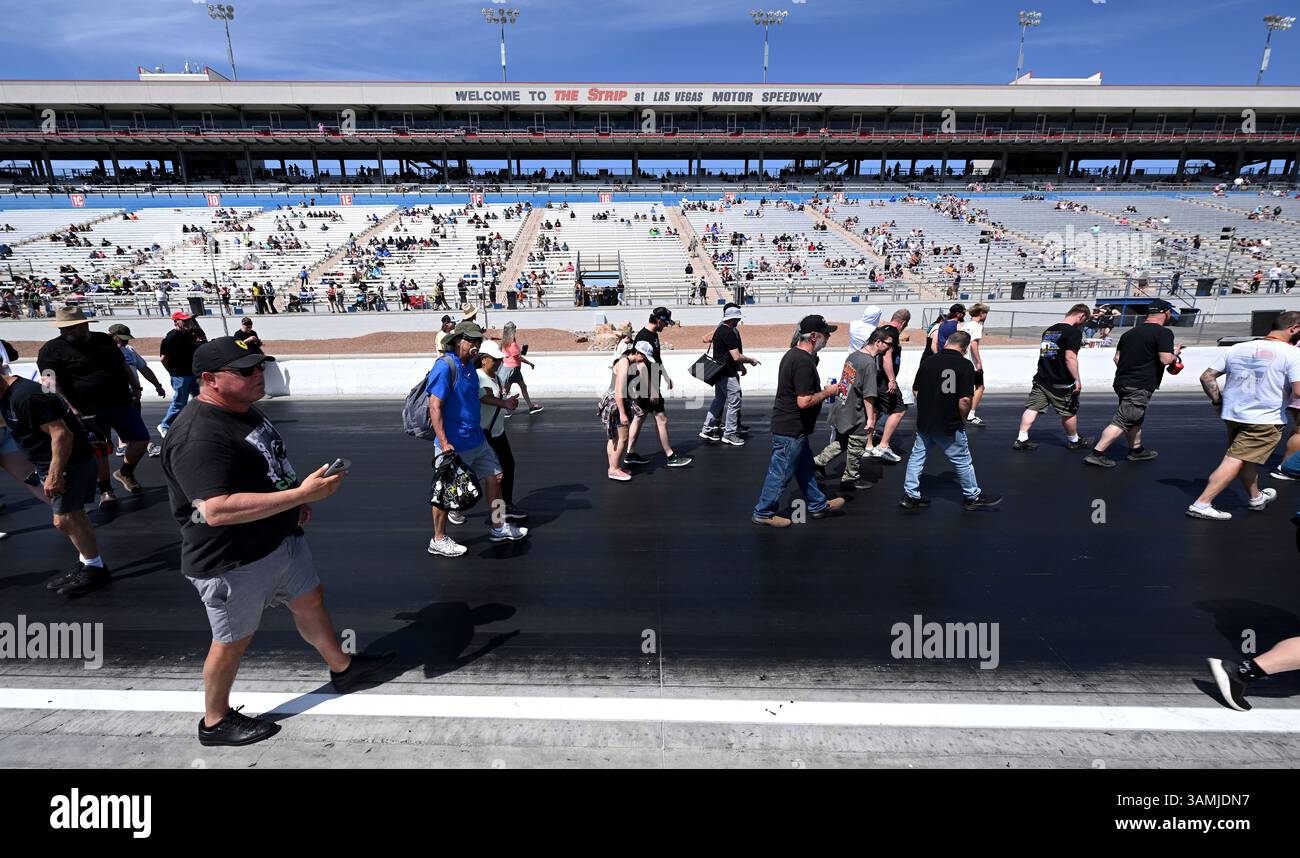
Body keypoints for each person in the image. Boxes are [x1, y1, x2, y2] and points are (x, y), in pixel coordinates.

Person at [160, 336, 394, 746]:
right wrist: (300, 495)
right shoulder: (198, 435)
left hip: (277, 537)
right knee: (233, 640)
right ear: (210, 379)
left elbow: (263, 467)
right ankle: (214, 722)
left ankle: (342, 668)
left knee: (309, 599)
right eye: (245, 370)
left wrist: (290, 501)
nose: (258, 375)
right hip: (231, 559)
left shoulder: (243, 409)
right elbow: (216, 509)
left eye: (259, 366)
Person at [1, 344, 112, 595]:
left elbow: (61, 434)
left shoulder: (25, 397)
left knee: (64, 520)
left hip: (68, 464)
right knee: (75, 517)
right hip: (57, 462)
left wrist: (54, 474)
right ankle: (89, 563)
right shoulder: (9, 396)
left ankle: (96, 569)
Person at [426, 320, 528, 557]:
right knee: (445, 493)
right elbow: (435, 406)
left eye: (478, 340)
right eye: (471, 340)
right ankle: (438, 539)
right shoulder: (444, 367)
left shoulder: (470, 367)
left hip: (476, 439)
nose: (475, 344)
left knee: (496, 476)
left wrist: (503, 403)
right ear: (458, 340)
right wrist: (443, 442)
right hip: (453, 444)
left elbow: (477, 398)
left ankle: (498, 526)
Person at [1186, 312, 1300, 520]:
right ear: (1294, 328)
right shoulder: (1292, 354)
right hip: (1264, 419)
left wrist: (1218, 402)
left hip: (1234, 414)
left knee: (1245, 459)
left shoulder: (1238, 348)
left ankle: (1256, 497)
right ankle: (1202, 503)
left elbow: (1207, 377)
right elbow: (1299, 391)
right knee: (1235, 459)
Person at [37, 306, 151, 507]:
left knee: (141, 439)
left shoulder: (104, 340)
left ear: (84, 325)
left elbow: (122, 365)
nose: (67, 332)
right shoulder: (50, 350)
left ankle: (125, 473)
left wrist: (135, 385)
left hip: (120, 401)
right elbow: (49, 382)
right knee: (100, 449)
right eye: (64, 329)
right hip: (86, 409)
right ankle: (106, 491)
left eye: (72, 327)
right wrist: (67, 405)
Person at [751, 315, 847, 527]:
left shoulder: (796, 356)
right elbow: (803, 401)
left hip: (794, 428)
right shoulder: (802, 362)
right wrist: (828, 392)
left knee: (805, 468)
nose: (828, 337)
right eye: (825, 333)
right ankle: (763, 512)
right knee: (780, 473)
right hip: (790, 429)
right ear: (813, 336)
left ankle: (817, 504)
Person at [901, 330, 1001, 511]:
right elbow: (964, 400)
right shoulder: (965, 365)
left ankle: (910, 495)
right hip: (949, 422)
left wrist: (927, 409)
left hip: (926, 421)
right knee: (962, 460)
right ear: (965, 348)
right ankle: (972, 496)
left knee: (917, 457)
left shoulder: (928, 362)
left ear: (947, 342)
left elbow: (916, 390)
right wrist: (962, 418)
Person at [1085, 300, 1183, 468]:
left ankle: (1136, 450)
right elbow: (1166, 359)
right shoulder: (1164, 333)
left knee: (1134, 417)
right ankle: (1097, 453)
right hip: (1140, 383)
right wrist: (1175, 355)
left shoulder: (1129, 333)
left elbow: (1117, 358)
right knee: (1124, 419)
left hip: (1122, 381)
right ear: (1166, 313)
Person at [813, 327, 891, 492]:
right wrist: (870, 419)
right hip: (854, 411)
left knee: (841, 441)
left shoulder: (854, 355)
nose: (889, 348)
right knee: (857, 443)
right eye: (887, 344)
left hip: (842, 406)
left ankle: (818, 462)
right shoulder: (869, 363)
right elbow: (869, 395)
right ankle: (850, 478)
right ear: (878, 342)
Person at [1014, 304, 1094, 451]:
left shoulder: (1049, 330)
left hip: (1042, 378)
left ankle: (1021, 438)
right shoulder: (1073, 333)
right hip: (1061, 381)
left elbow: (1046, 354)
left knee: (1033, 407)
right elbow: (1070, 358)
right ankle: (1074, 440)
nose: (1082, 324)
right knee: (1068, 411)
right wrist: (1077, 380)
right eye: (1084, 321)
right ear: (1081, 316)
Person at [625, 307, 692, 469]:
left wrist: (666, 377)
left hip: (651, 381)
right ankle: (670, 456)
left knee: (640, 418)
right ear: (659, 320)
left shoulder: (653, 335)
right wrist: (652, 389)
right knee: (661, 419)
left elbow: (657, 360)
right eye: (665, 323)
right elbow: (641, 366)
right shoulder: (643, 337)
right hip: (646, 384)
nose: (666, 326)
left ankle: (630, 454)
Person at [475, 340, 527, 523]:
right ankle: (498, 520)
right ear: (483, 359)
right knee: (494, 476)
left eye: (499, 359)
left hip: (497, 432)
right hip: (482, 434)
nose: (498, 363)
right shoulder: (477, 377)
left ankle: (502, 516)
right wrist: (504, 402)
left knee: (505, 468)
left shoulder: (496, 377)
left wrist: (508, 401)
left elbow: (494, 398)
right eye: (494, 359)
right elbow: (483, 398)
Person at [700, 304, 760, 446]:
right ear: (732, 318)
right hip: (727, 373)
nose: (738, 321)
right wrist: (751, 361)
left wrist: (741, 367)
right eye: (737, 318)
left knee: (719, 400)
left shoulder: (720, 330)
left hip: (718, 373)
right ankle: (730, 434)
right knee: (734, 401)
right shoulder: (728, 332)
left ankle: (707, 429)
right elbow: (736, 356)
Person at [107, 324, 166, 458]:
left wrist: (157, 385)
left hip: (133, 393)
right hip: (116, 395)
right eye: (121, 338)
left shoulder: (129, 350)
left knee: (133, 421)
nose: (125, 341)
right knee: (130, 423)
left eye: (126, 339)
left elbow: (144, 369)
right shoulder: (104, 352)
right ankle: (147, 445)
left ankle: (124, 446)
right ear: (112, 336)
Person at [603, 342, 652, 482]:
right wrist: (623, 412)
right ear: (638, 354)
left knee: (614, 438)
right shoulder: (624, 363)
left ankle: (614, 466)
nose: (645, 361)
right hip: (617, 403)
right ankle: (614, 470)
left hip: (617, 401)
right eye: (645, 357)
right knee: (622, 437)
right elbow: (619, 390)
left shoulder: (629, 361)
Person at [868, 309, 911, 464]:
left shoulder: (880, 330)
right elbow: (886, 358)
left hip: (874, 377)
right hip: (884, 380)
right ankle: (883, 445)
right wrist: (892, 380)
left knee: (875, 411)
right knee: (900, 410)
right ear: (904, 323)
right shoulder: (892, 332)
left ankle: (868, 445)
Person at [158, 312, 209, 438]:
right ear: (176, 322)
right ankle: (165, 425)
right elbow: (164, 358)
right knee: (180, 402)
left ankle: (199, 424)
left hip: (193, 373)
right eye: (183, 321)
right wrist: (172, 372)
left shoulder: (192, 334)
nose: (187, 323)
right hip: (180, 375)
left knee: (201, 399)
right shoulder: (172, 336)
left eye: (188, 320)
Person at [499, 322, 542, 414]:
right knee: (518, 387)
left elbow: (513, 355)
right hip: (514, 369)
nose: (515, 330)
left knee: (508, 389)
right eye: (514, 329)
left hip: (509, 368)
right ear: (511, 331)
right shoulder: (512, 344)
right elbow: (518, 357)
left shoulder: (504, 342)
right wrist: (530, 363)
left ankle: (504, 409)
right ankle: (505, 409)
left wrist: (520, 352)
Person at [961, 304, 988, 426]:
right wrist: (979, 362)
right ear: (981, 313)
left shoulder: (965, 326)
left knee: (965, 388)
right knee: (980, 387)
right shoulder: (977, 326)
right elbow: (974, 344)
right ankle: (971, 414)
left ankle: (962, 412)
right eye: (985, 313)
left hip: (962, 360)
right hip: (971, 362)